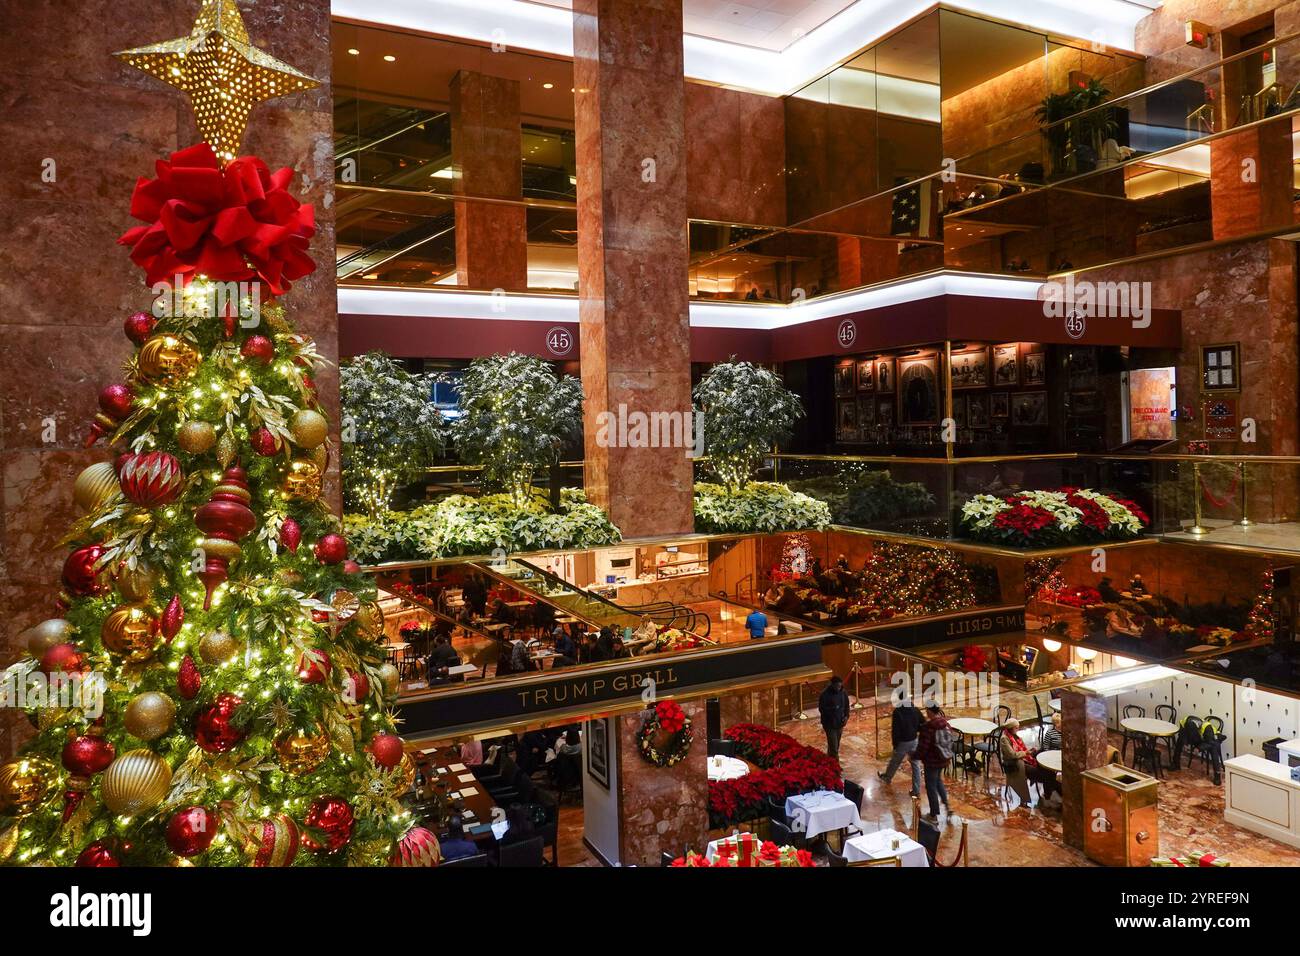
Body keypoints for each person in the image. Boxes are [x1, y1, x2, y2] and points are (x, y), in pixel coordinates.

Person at [877, 696, 922, 797]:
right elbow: (922, 722)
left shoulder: (898, 712)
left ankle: (887, 777)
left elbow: (895, 730)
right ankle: (916, 790)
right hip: (914, 739)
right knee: (916, 765)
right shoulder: (915, 709)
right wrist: (916, 731)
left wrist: (895, 744)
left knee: (895, 762)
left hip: (903, 742)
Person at [915, 702, 953, 821]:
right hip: (943, 758)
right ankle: (947, 805)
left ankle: (933, 814)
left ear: (930, 711)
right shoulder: (945, 723)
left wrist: (915, 756)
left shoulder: (929, 727)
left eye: (927, 711)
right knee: (938, 781)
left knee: (931, 786)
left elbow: (924, 747)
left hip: (932, 762)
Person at [998, 718, 1035, 807]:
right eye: (1016, 728)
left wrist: (1028, 753)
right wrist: (1025, 753)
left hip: (1021, 760)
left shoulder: (1014, 736)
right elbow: (1012, 755)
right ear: (1011, 728)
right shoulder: (1004, 739)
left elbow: (1021, 750)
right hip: (1013, 764)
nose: (1018, 729)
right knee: (1036, 772)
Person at [818, 676, 851, 760]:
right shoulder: (824, 694)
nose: (838, 688)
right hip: (829, 725)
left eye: (840, 686)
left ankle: (829, 761)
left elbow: (847, 706)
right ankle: (836, 766)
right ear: (832, 685)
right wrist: (834, 710)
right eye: (837, 686)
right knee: (834, 747)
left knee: (835, 745)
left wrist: (846, 717)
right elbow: (822, 709)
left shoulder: (843, 692)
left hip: (840, 723)